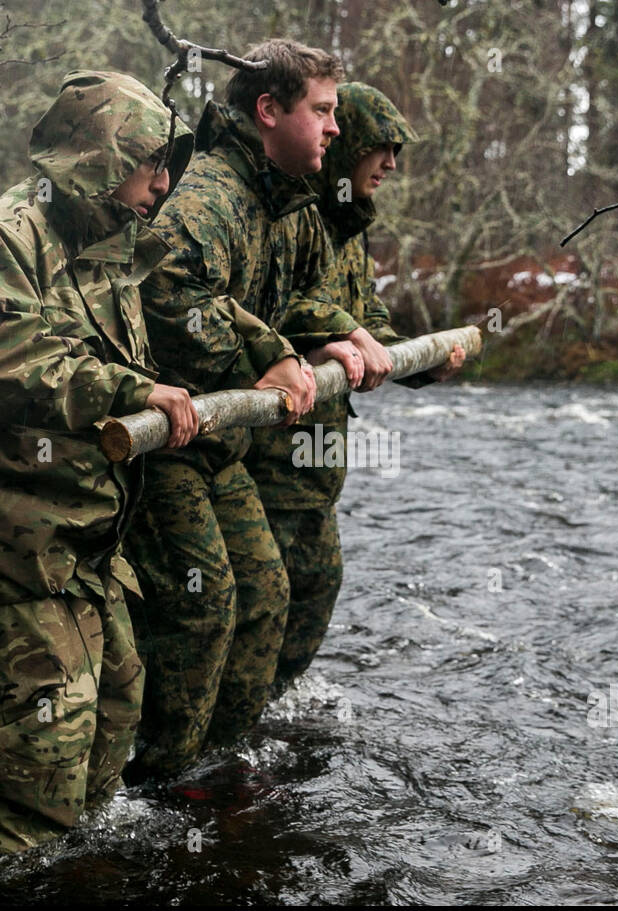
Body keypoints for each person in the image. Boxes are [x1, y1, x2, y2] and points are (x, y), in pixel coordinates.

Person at [0, 70, 198, 858]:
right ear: (104, 159)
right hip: (1, 530)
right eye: (152, 162)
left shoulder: (113, 249)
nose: (164, 183)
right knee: (39, 743)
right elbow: (4, 358)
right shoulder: (3, 236)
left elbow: (181, 319)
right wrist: (131, 389)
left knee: (112, 709)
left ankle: (61, 869)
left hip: (80, 535)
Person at [123, 40, 362, 784]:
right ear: (268, 110)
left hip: (219, 443)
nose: (333, 129)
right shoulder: (212, 195)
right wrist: (262, 353)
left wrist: (327, 339)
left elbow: (289, 301)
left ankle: (211, 769)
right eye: (321, 111)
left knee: (264, 596)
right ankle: (155, 783)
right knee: (204, 608)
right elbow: (168, 293)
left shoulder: (276, 201)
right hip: (164, 445)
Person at [249, 82, 465, 698]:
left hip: (319, 465)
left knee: (315, 593)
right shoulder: (293, 213)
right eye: (384, 149)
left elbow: (367, 318)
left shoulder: (351, 228)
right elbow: (278, 308)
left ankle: (261, 729)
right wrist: (336, 332)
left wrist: (417, 363)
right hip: (270, 455)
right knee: (254, 609)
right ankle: (213, 757)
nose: (392, 165)